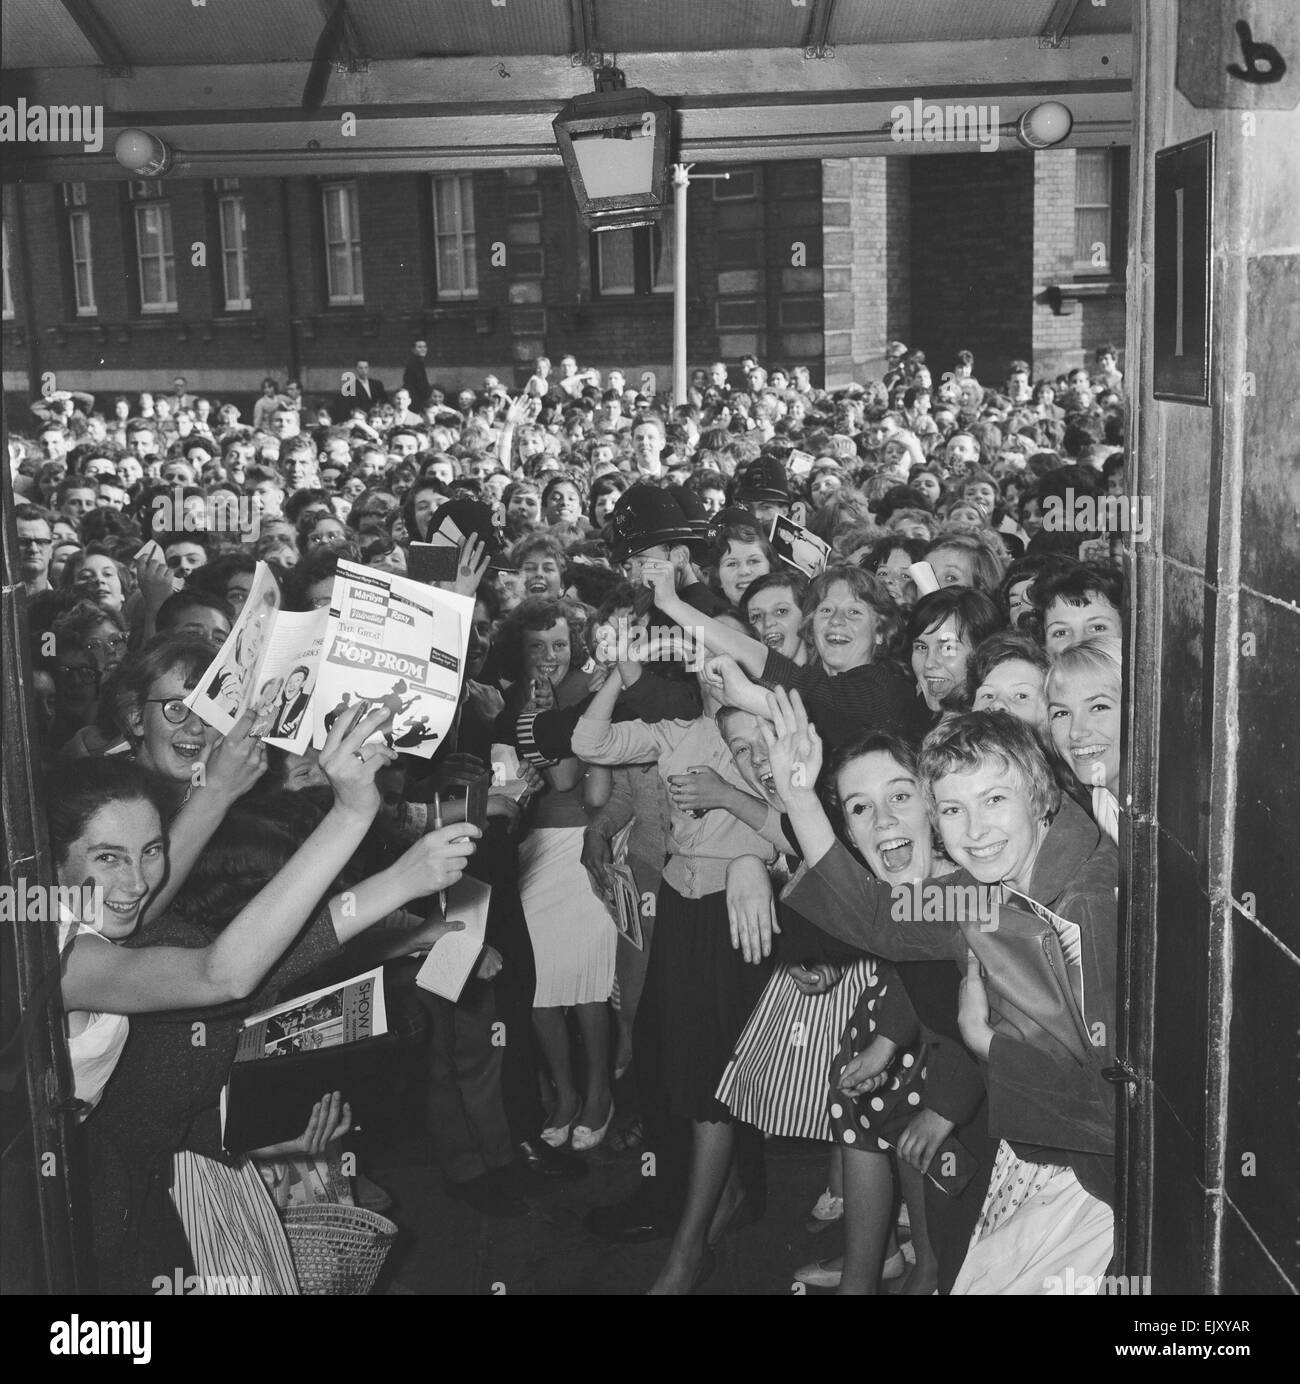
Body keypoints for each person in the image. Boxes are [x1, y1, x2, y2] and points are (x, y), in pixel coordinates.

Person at [767, 692, 1118, 1295]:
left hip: (1097, 1185)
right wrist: (798, 797)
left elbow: (1118, 1100)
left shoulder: (1089, 904)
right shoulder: (981, 892)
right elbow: (883, 914)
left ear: (1040, 798)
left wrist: (985, 1043)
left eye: (994, 800)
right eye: (952, 809)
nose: (975, 831)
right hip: (1042, 1158)